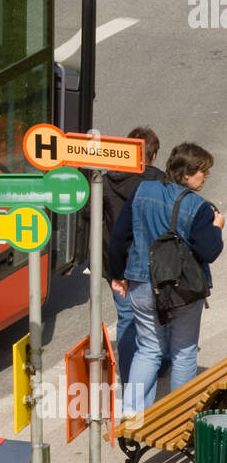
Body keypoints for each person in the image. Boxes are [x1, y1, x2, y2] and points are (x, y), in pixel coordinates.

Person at [110, 142, 224, 424]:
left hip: (141, 283)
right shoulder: (198, 208)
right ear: (186, 174)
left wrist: (118, 274)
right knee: (183, 352)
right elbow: (208, 251)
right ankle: (181, 415)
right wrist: (217, 228)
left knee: (148, 348)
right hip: (181, 289)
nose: (206, 177)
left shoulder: (142, 191)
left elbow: (118, 238)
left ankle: (132, 410)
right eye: (202, 172)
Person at [85, 126, 166, 384]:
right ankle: (156, 367)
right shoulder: (157, 180)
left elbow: (89, 214)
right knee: (157, 316)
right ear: (152, 156)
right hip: (149, 263)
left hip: (115, 263)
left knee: (127, 318)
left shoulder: (106, 180)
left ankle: (130, 376)